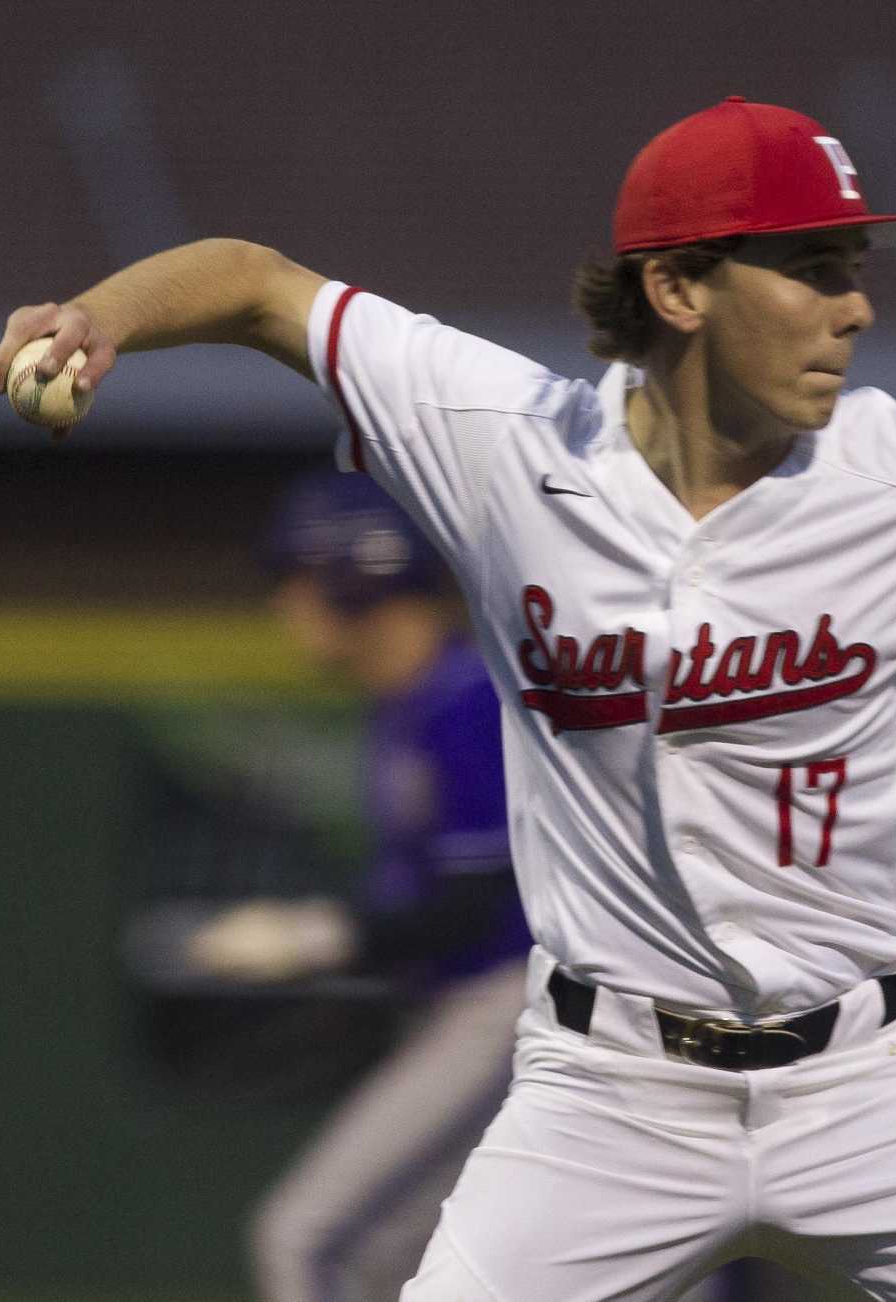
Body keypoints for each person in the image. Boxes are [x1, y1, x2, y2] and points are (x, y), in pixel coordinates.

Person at [0, 95, 896, 1300]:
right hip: (605, 1099)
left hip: (875, 1082)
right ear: (678, 289)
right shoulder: (500, 439)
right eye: (807, 263)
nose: (854, 302)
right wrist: (99, 315)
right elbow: (252, 280)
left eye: (852, 261)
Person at [185, 469, 534, 1302]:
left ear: (351, 578)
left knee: (312, 1240)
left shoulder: (469, 699)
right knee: (399, 1265)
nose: (285, 610)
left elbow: (478, 903)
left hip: (513, 1005)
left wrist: (315, 938)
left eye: (296, 585)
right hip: (466, 1010)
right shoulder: (409, 702)